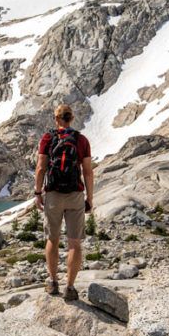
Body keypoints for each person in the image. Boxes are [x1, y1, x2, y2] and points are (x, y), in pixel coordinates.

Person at [34, 103, 94, 301]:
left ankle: (52, 282)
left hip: (53, 195)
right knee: (74, 242)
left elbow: (41, 167)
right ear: (72, 118)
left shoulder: (48, 138)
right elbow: (87, 171)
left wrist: (38, 192)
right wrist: (89, 198)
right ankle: (70, 287)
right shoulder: (81, 140)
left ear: (56, 118)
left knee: (53, 239)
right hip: (75, 195)